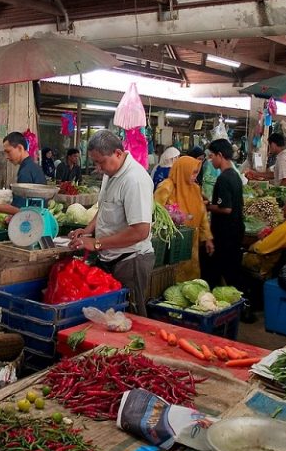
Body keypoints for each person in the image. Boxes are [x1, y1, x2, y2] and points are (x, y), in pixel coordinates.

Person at [68, 130, 155, 316]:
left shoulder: (135, 180)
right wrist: (87, 230)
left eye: (101, 162)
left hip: (130, 261)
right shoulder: (111, 172)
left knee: (130, 317)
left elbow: (140, 231)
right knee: (109, 317)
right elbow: (105, 207)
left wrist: (97, 243)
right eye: (95, 162)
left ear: (117, 153)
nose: (98, 168)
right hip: (109, 258)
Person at [154, 156, 214, 282]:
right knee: (171, 277)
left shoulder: (195, 189)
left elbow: (202, 215)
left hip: (191, 243)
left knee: (190, 279)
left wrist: (208, 238)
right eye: (193, 173)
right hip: (171, 242)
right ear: (183, 170)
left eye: (196, 173)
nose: (195, 177)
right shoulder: (167, 187)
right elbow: (155, 211)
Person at [0, 131, 46, 214]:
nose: (6, 157)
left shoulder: (25, 171)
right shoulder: (32, 166)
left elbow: (18, 210)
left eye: (8, 151)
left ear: (20, 148)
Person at [205, 139, 244, 287]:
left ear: (219, 155)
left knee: (223, 271)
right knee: (232, 270)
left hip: (225, 234)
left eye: (211, 156)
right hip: (235, 231)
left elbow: (226, 208)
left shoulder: (223, 178)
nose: (210, 160)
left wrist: (208, 207)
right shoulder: (235, 175)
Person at [243, 192, 286, 278]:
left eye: (285, 205)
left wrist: (260, 239)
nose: (282, 208)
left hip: (268, 267)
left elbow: (261, 249)